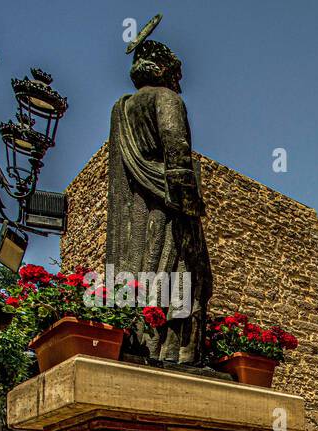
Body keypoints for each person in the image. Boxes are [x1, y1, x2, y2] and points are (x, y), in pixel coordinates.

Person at [106, 16, 213, 367]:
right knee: (186, 275)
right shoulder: (166, 99)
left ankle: (141, 346)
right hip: (168, 210)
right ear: (165, 70)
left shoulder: (120, 110)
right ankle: (175, 356)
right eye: (177, 74)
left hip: (134, 214)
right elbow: (177, 157)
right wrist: (192, 207)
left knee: (143, 273)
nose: (179, 82)